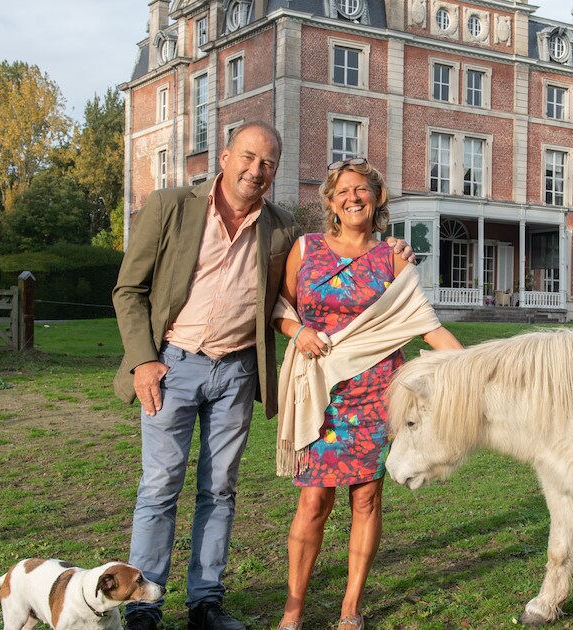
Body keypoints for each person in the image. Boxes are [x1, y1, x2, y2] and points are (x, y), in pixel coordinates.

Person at [112, 124, 414, 630]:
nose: (256, 170)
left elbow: (303, 286)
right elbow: (128, 289)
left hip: (236, 371)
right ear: (226, 157)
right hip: (174, 365)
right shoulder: (170, 206)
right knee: (160, 486)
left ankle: (205, 602)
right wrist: (144, 359)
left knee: (221, 488)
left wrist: (394, 253)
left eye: (268, 163)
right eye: (248, 158)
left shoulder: (279, 227)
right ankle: (144, 606)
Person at [273, 158, 462, 630]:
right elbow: (280, 308)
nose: (353, 197)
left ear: (377, 198)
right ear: (331, 202)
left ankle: (349, 608)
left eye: (362, 189)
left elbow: (423, 324)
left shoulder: (393, 258)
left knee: (366, 500)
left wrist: (480, 368)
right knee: (313, 500)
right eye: (343, 191)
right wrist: (297, 332)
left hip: (378, 394)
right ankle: (293, 609)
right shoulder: (306, 248)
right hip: (320, 392)